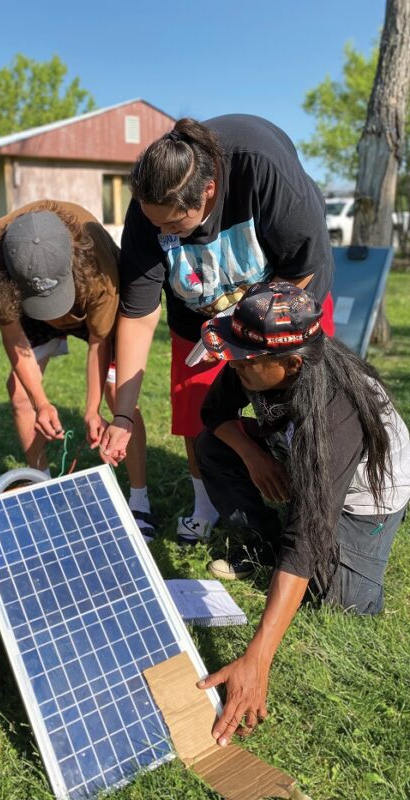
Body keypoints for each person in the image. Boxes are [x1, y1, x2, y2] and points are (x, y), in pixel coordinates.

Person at [99, 114, 335, 544]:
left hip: (286, 299)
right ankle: (209, 504)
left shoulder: (261, 167)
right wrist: (122, 414)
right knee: (196, 408)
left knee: (304, 403)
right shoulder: (148, 212)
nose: (163, 233)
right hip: (199, 311)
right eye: (156, 225)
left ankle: (312, 509)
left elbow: (304, 267)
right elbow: (138, 313)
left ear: (208, 191)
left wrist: (241, 334)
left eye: (173, 226)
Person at [193, 282, 409, 747]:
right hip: (299, 454)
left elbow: (309, 532)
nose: (235, 365)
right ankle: (259, 539)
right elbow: (214, 412)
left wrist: (258, 657)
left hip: (364, 501)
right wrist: (255, 457)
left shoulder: (337, 410)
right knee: (215, 447)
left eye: (247, 362)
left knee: (341, 602)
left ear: (293, 364)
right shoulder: (254, 357)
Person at [0, 200, 154, 536]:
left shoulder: (97, 260)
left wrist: (91, 408)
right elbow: (13, 336)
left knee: (117, 392)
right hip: (23, 294)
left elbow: (99, 340)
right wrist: (41, 404)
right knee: (20, 393)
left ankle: (140, 500)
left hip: (90, 295)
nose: (55, 317)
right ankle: (42, 491)